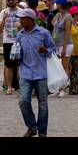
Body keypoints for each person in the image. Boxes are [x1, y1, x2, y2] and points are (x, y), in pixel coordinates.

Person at [15, 9, 55, 137]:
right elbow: (18, 54)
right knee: (23, 101)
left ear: (31, 19)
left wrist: (45, 50)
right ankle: (32, 127)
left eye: (23, 18)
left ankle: (42, 131)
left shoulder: (44, 33)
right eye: (20, 19)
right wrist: (15, 56)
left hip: (41, 73)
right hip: (25, 73)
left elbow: (53, 51)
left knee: (43, 104)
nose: (21, 21)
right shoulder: (19, 35)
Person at [0, 0, 21, 94]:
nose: (10, 2)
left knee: (20, 64)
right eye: (8, 0)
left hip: (19, 41)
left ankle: (20, 86)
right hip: (8, 41)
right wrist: (5, 19)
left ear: (16, 0)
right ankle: (9, 87)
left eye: (12, 0)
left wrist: (20, 26)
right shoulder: (3, 12)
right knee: (8, 65)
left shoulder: (21, 12)